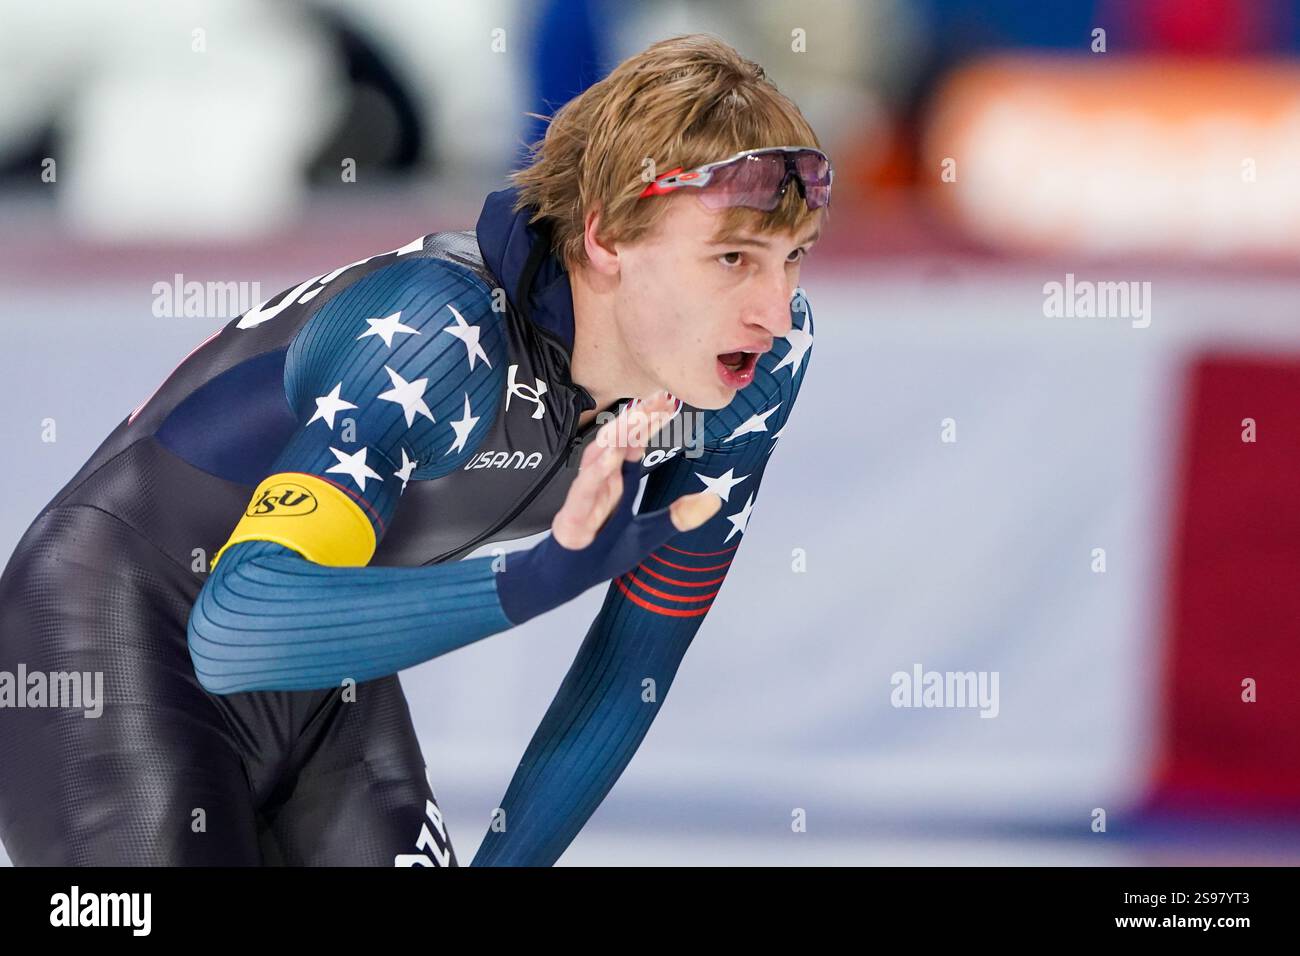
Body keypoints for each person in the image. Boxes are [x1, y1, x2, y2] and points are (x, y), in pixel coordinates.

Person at [0, 33, 828, 866]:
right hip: (109, 634)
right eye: (732, 257)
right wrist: (534, 578)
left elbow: (632, 668)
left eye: (793, 257)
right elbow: (232, 628)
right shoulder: (438, 337)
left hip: (322, 672)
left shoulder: (753, 373)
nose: (774, 306)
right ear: (607, 235)